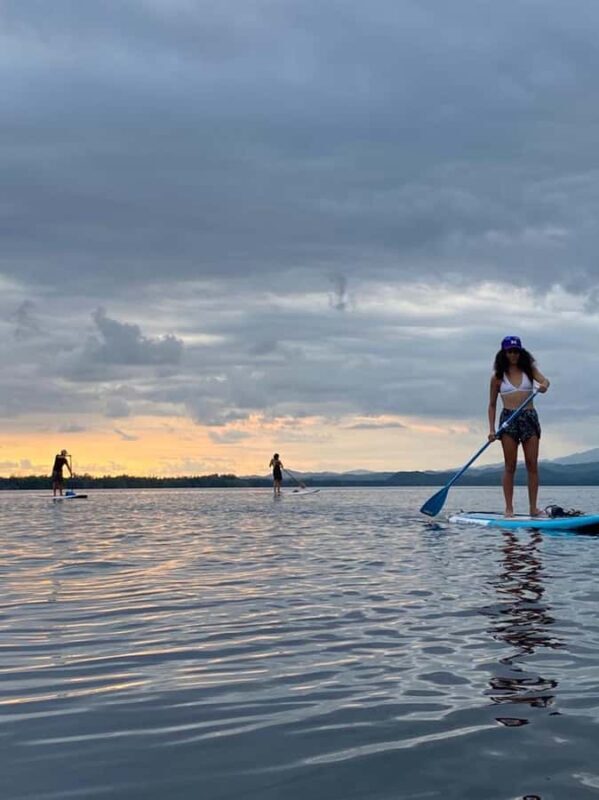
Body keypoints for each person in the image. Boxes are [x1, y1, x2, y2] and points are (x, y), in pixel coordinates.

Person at [488, 336, 550, 517]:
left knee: (532, 464)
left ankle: (533, 508)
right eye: (510, 352)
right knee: (510, 466)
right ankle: (509, 508)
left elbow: (545, 381)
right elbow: (492, 405)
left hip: (529, 417)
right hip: (508, 419)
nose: (513, 355)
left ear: (521, 353)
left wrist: (544, 386)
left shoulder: (529, 370)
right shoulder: (497, 377)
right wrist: (491, 430)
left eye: (516, 351)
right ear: (504, 353)